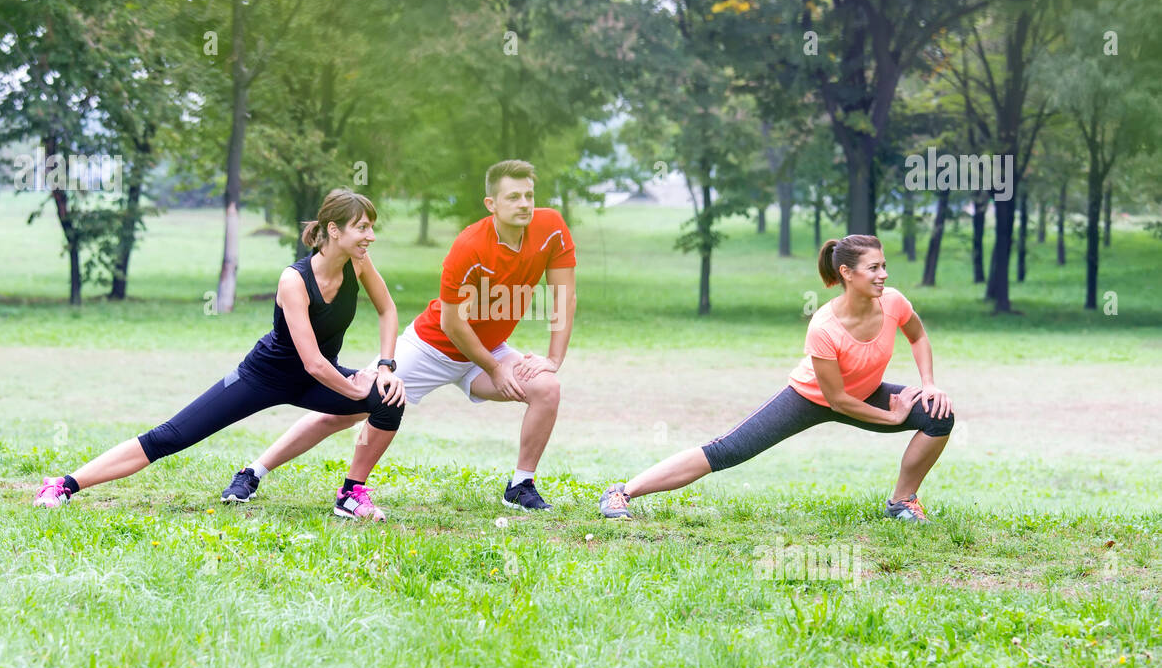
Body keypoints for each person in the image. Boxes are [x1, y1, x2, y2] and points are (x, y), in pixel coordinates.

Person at [217, 159, 577, 515]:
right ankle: (253, 472)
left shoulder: (552, 229)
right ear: (491, 204)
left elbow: (563, 296)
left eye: (529, 195)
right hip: (430, 347)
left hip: (486, 351)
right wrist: (495, 370)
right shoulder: (469, 246)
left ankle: (520, 486)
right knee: (346, 411)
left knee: (547, 388)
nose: (525, 204)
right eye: (513, 197)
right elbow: (453, 326)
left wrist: (552, 359)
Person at [31, 188, 406, 521]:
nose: (370, 236)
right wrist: (354, 389)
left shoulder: (357, 263)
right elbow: (311, 360)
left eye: (371, 227)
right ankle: (63, 485)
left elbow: (387, 310)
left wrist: (385, 368)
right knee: (170, 437)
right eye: (362, 227)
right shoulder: (294, 279)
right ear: (334, 230)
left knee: (389, 399)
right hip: (264, 377)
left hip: (317, 380)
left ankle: (350, 495)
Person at [599, 234, 954, 523]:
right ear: (847, 273)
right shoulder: (825, 327)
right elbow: (837, 401)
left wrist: (929, 384)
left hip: (865, 393)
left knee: (938, 414)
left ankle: (901, 501)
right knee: (726, 450)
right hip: (810, 399)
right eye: (874, 268)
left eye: (884, 266)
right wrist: (892, 416)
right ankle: (622, 491)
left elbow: (918, 336)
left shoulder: (892, 303)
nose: (884, 275)